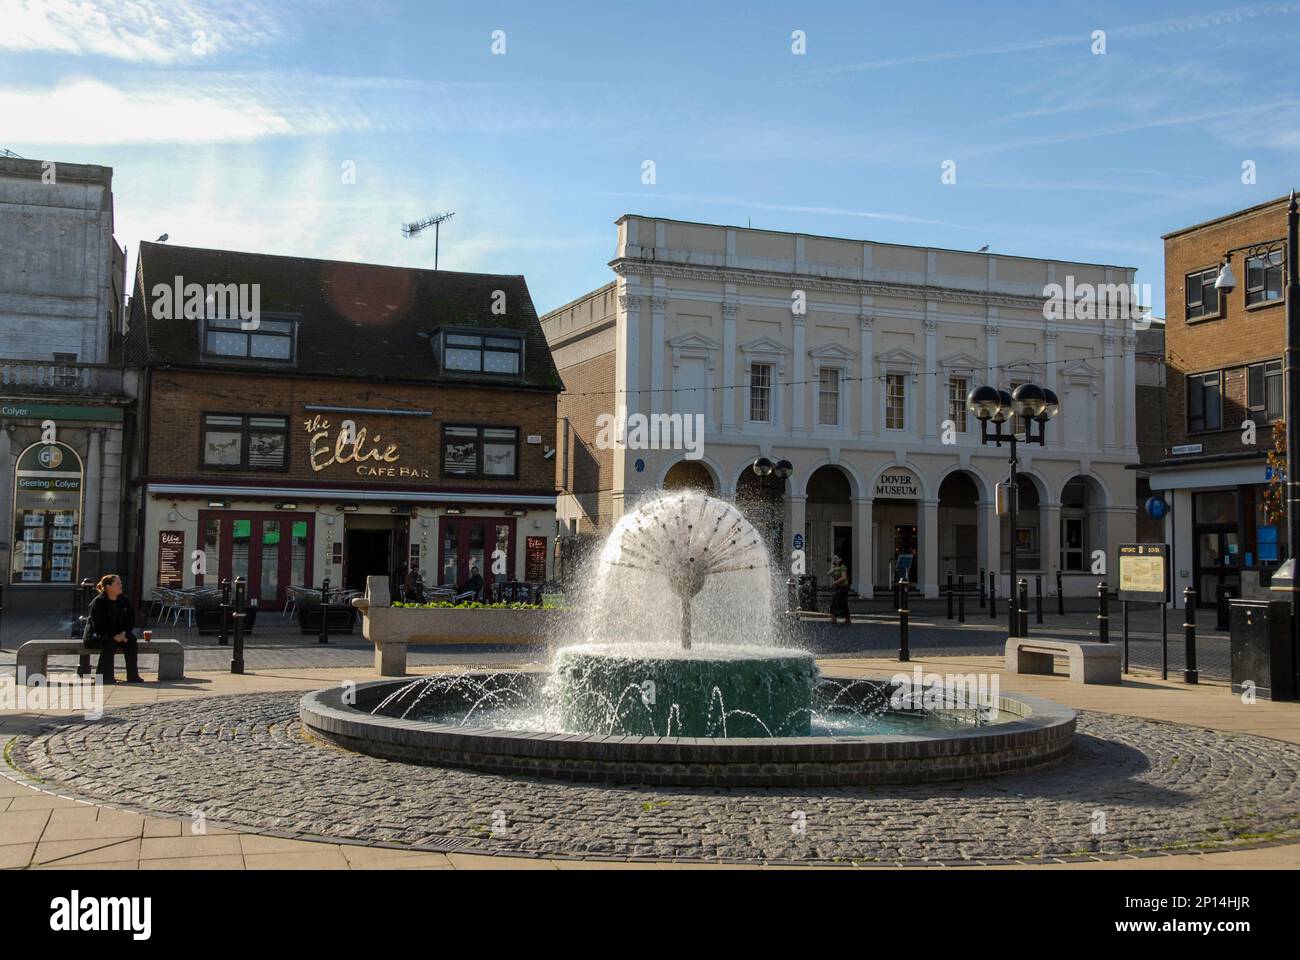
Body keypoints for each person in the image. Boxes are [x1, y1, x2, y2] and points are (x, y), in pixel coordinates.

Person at [85, 574, 143, 684]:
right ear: (108, 587)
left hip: (120, 634)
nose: (121, 586)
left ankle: (133, 676)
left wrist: (124, 633)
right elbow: (98, 625)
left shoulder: (123, 599)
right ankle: (105, 678)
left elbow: (130, 619)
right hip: (97, 635)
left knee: (131, 640)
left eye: (120, 583)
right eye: (117, 583)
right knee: (109, 642)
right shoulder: (99, 602)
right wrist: (114, 636)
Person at [828, 555, 851, 625]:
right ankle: (834, 618)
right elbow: (828, 573)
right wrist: (834, 569)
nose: (834, 559)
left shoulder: (843, 567)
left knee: (843, 603)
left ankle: (847, 619)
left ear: (840, 559)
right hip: (838, 588)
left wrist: (835, 582)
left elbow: (844, 577)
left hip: (844, 588)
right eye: (834, 558)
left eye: (836, 558)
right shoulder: (835, 568)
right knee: (834, 602)